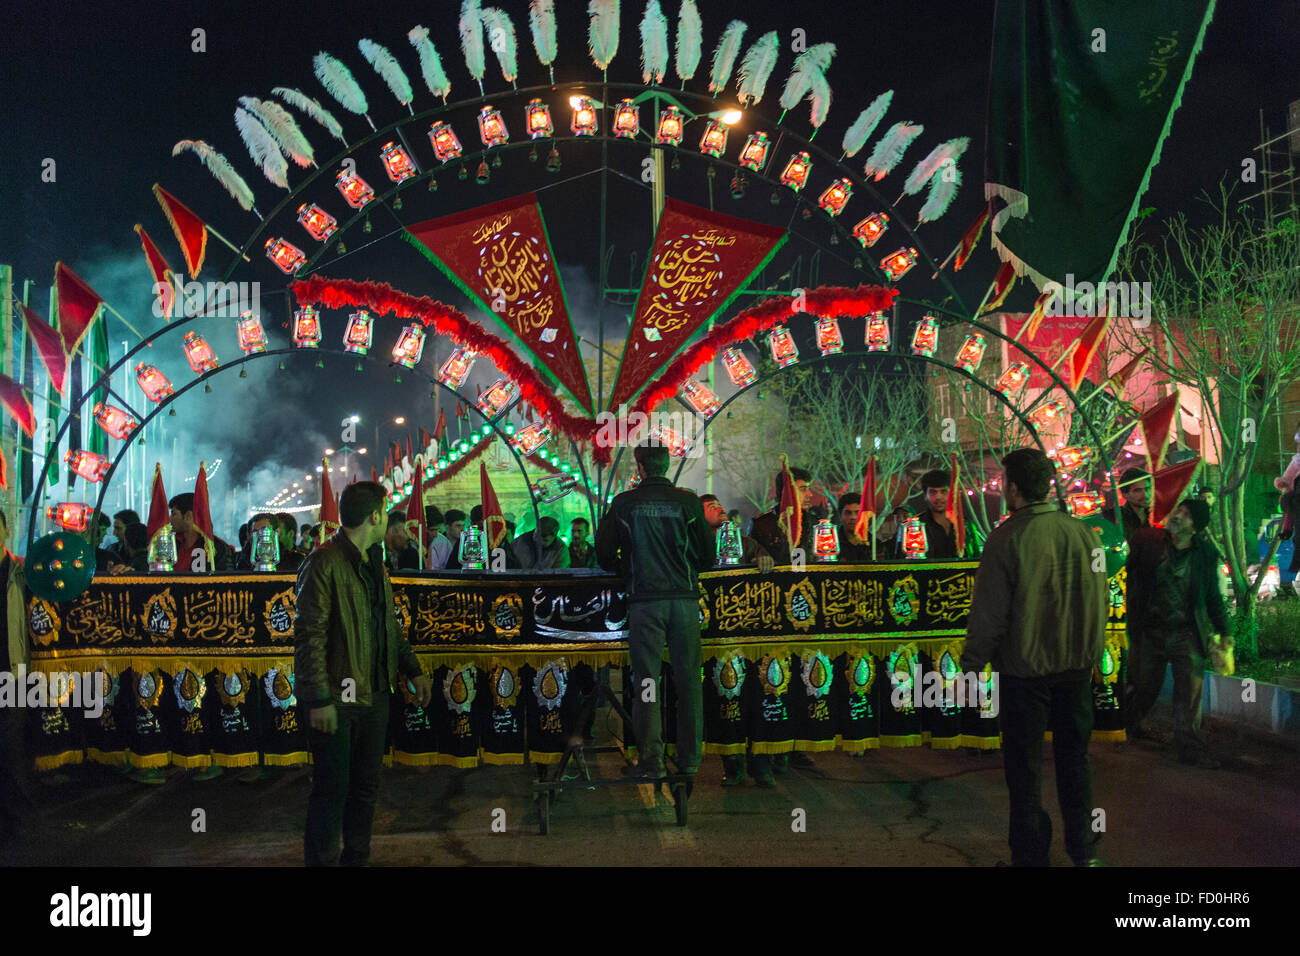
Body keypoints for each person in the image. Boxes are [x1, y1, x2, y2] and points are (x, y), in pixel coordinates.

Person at [960, 447, 1107, 867]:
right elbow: (1097, 602)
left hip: (1025, 673)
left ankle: (1030, 856)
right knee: (1075, 761)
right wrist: (1092, 656)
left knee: (1025, 770)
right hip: (1076, 671)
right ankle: (1083, 850)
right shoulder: (1083, 534)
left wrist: (971, 665)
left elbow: (989, 613)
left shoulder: (1007, 537)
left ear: (1013, 487)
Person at [294, 481, 432, 867]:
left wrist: (412, 669)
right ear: (375, 516)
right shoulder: (324, 562)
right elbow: (309, 636)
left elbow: (388, 624)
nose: (388, 518)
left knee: (365, 789)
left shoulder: (375, 561)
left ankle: (356, 858)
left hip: (375, 696)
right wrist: (319, 698)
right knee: (331, 790)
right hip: (337, 699)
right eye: (385, 511)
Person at [596, 443, 714, 787]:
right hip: (685, 603)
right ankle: (690, 760)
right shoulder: (689, 502)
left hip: (645, 602)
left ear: (640, 467)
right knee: (689, 680)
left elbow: (604, 555)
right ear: (666, 465)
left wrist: (629, 568)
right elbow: (707, 558)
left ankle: (652, 761)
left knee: (646, 681)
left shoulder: (624, 504)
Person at [1125, 499, 1230, 769]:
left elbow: (1212, 596)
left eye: (1185, 514)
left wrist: (1223, 631)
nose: (1177, 517)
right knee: (1144, 685)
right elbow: (1131, 576)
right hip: (1152, 630)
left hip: (1186, 632)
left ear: (1195, 525)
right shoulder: (1151, 544)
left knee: (1189, 693)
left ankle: (1189, 746)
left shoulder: (1205, 554)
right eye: (1178, 511)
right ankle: (1126, 725)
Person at [0, 509, 33, 857]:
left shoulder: (23, 572)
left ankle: (15, 822)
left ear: (6, 531)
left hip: (12, 672)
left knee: (10, 751)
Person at [749, 465, 815, 566]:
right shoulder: (761, 525)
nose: (809, 494)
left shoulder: (813, 522)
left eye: (808, 489)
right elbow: (749, 558)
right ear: (787, 492)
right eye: (803, 489)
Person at [168, 493, 234, 571]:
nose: (170, 519)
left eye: (174, 514)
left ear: (188, 516)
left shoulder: (217, 548)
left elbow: (227, 579)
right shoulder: (171, 544)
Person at [1103, 467, 1151, 546]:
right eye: (1137, 490)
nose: (1146, 495)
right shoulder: (1114, 516)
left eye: (1147, 488)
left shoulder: (1157, 514)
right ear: (1125, 495)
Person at [917, 469, 959, 559]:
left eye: (943, 491)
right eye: (933, 492)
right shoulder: (916, 528)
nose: (938, 497)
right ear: (925, 496)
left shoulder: (964, 525)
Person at [835, 493, 873, 563]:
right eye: (848, 513)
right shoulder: (833, 546)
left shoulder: (875, 544)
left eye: (857, 513)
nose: (853, 517)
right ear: (840, 516)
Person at [425, 506, 454, 570]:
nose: (435, 535)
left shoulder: (443, 543)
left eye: (437, 530)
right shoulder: (411, 544)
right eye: (432, 530)